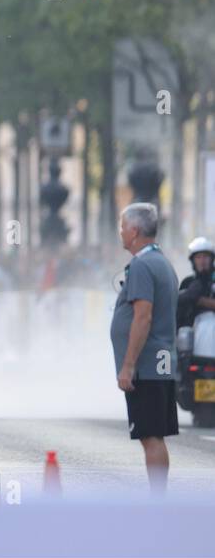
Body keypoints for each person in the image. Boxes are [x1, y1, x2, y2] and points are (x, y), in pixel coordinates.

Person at [112, 203, 179, 495]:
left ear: (135, 231)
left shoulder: (141, 265)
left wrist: (128, 365)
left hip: (147, 364)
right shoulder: (162, 262)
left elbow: (143, 316)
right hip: (160, 362)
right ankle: (158, 497)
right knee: (154, 436)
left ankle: (158, 501)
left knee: (150, 436)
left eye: (123, 226)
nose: (121, 232)